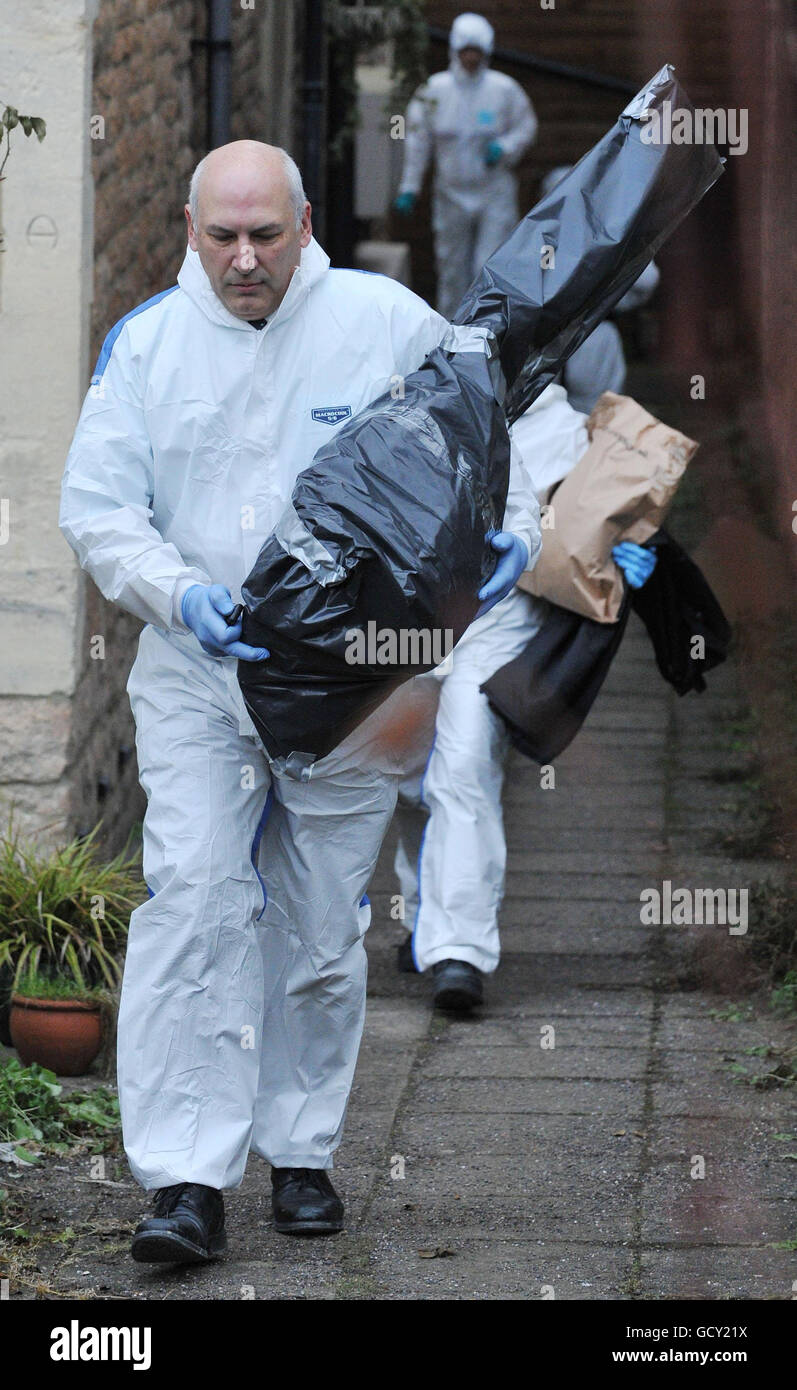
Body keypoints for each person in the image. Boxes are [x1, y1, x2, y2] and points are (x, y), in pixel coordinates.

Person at [59, 141, 537, 1260]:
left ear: (305, 221)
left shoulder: (384, 323)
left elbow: (481, 424)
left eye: (264, 235)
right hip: (199, 673)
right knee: (194, 903)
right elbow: (96, 506)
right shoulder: (148, 346)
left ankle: (303, 1146)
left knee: (323, 924)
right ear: (188, 228)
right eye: (219, 235)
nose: (241, 259)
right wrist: (177, 594)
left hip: (354, 683)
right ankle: (185, 1179)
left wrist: (502, 531)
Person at [393, 383, 657, 1012]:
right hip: (412, 619)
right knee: (404, 775)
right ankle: (423, 912)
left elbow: (591, 530)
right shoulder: (418, 404)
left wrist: (622, 553)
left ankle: (459, 952)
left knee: (463, 768)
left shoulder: (563, 433)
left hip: (501, 624)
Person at [394, 11, 538, 319]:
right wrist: (410, 187)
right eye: (466, 51)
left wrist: (505, 147)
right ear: (455, 51)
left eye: (477, 51)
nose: (471, 58)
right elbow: (417, 142)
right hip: (450, 193)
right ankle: (450, 330)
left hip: (493, 191)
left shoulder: (504, 90)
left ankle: (487, 332)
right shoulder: (434, 91)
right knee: (451, 267)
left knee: (489, 264)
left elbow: (526, 126)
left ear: (486, 52)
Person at [538, 166, 661, 415]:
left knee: (584, 421)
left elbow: (647, 280)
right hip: (549, 342)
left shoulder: (606, 236)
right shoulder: (540, 240)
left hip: (586, 337)